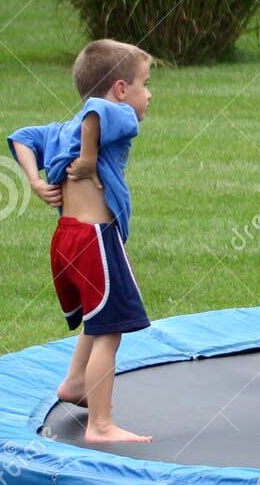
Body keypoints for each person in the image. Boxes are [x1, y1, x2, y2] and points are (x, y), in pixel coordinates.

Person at [8, 39, 155, 443]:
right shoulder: (120, 113)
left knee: (96, 317)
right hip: (95, 239)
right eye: (144, 84)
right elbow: (97, 110)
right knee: (111, 330)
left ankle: (75, 384)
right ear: (121, 89)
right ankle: (101, 425)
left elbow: (21, 137)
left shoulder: (58, 131)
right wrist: (89, 159)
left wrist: (37, 181)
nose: (149, 95)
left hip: (66, 238)